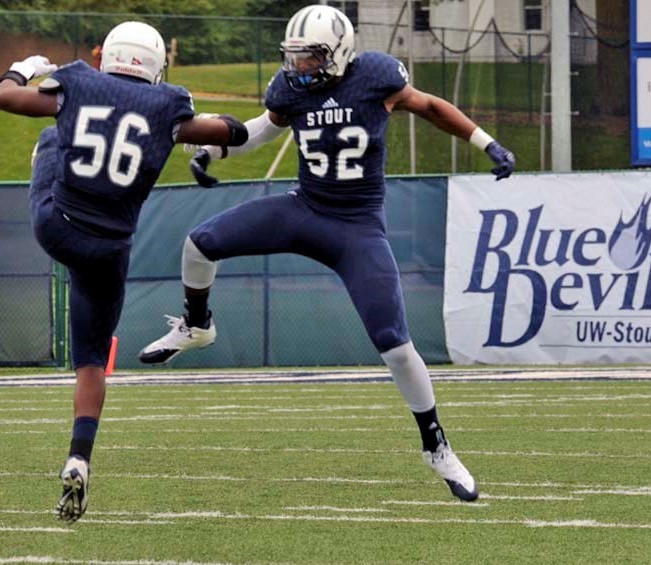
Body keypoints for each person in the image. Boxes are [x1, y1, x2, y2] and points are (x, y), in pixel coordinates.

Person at [139, 4, 517, 503]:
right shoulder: (290, 89)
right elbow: (261, 130)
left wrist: (485, 142)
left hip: (356, 226)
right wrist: (213, 150)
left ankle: (436, 445)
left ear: (337, 53)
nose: (299, 66)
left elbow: (428, 106)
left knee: (396, 344)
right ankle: (197, 324)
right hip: (305, 207)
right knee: (200, 242)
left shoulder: (377, 77)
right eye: (294, 56)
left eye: (310, 56)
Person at [0, 21, 249, 523]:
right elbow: (234, 130)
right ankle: (79, 456)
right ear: (154, 63)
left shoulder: (78, 82)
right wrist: (203, 133)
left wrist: (25, 68)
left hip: (57, 225)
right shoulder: (168, 105)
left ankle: (77, 462)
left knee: (49, 136)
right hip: (110, 247)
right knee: (91, 361)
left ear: (109, 56)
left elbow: (2, 98)